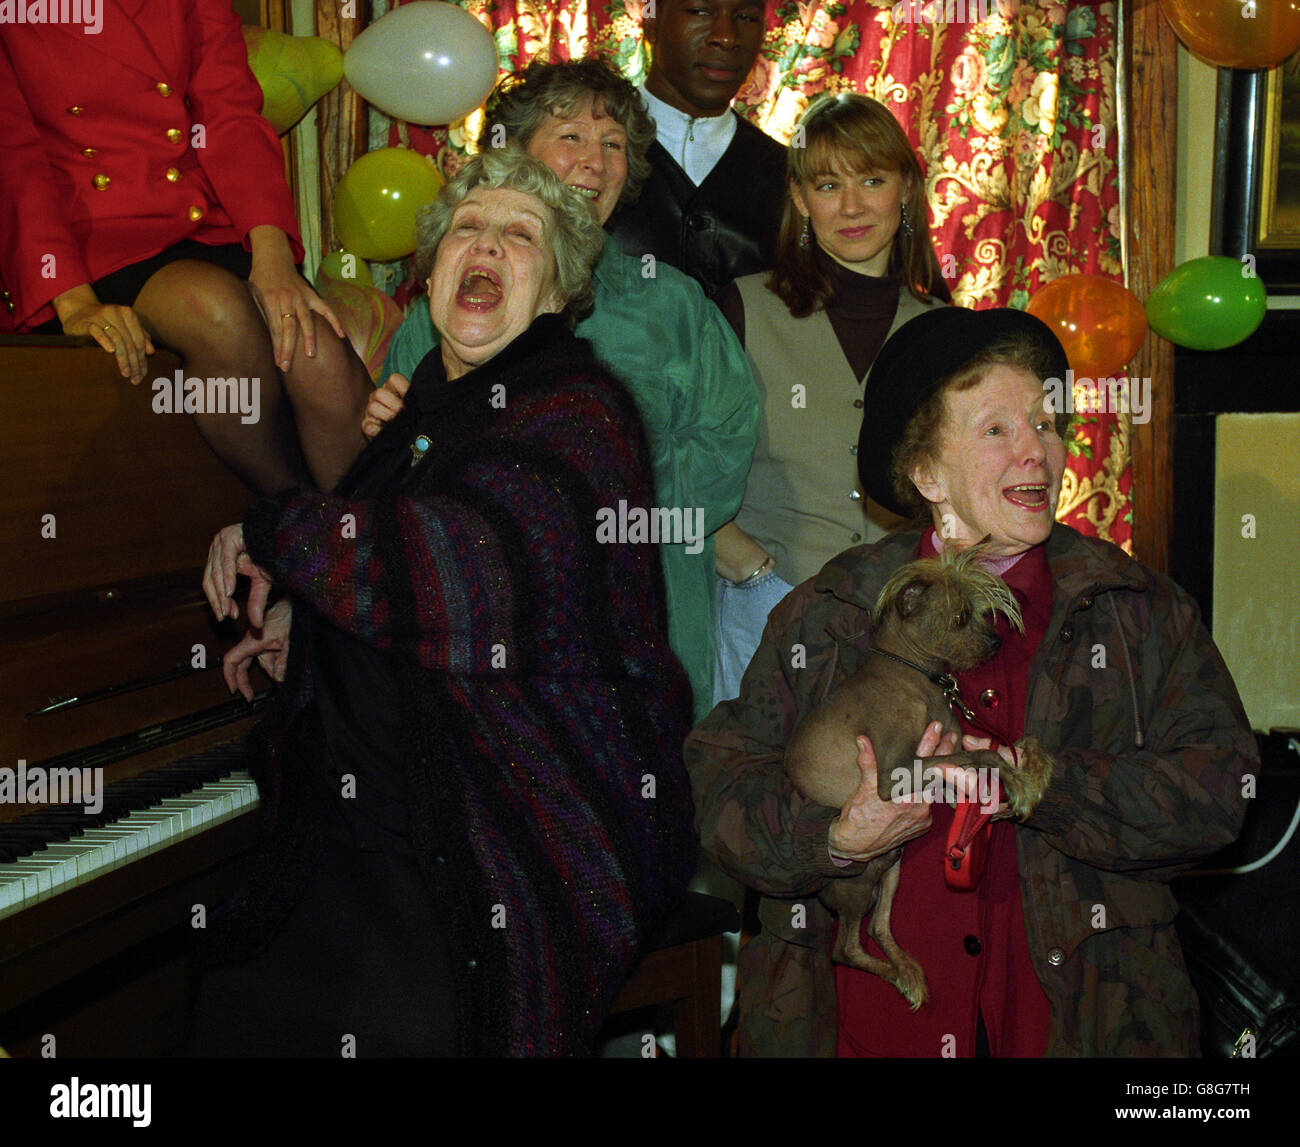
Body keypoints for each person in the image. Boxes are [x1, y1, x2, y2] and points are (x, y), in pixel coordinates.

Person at [189, 150, 697, 1057]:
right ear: (431, 277)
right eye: (468, 227)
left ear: (559, 291)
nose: (487, 245)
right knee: (225, 998)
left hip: (516, 824)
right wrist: (304, 631)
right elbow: (379, 574)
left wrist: (275, 529)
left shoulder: (580, 412)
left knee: (381, 1028)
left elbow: (458, 575)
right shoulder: (428, 408)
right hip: (378, 823)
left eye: (519, 236)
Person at [685, 305, 1257, 1057]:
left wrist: (1050, 785)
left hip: (1089, 1029)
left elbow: (1222, 793)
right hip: (859, 1031)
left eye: (1048, 425)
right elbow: (720, 784)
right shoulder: (832, 612)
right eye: (997, 430)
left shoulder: (1136, 613)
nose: (1038, 454)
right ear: (926, 472)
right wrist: (831, 839)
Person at [379, 58, 759, 722]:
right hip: (492, 638)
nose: (597, 162)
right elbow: (404, 461)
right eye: (572, 137)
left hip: (650, 626)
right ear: (517, 153)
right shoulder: (451, 298)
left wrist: (616, 511)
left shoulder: (671, 302)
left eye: (614, 145)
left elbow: (727, 442)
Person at [0, 1, 370, 493]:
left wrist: (274, 258)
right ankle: (301, 533)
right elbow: (13, 161)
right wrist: (74, 302)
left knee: (316, 349)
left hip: (200, 221)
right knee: (216, 314)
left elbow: (229, 113)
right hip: (85, 250)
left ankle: (375, 545)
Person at [711, 92, 950, 706]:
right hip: (762, 613)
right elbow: (673, 451)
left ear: (905, 190)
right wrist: (741, 560)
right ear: (799, 198)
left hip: (905, 632)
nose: (850, 206)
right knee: (752, 793)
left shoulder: (949, 331)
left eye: (872, 179)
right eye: (826, 184)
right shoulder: (740, 308)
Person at [606, 0, 786, 297]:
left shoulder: (790, 176)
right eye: (701, 11)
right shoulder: (580, 157)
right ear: (652, 22)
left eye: (746, 16)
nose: (726, 36)